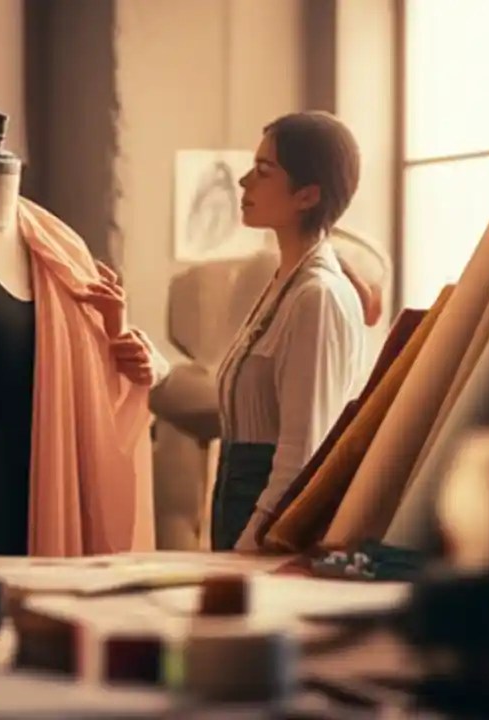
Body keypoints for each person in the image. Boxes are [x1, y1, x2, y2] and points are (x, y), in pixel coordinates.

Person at [197, 111, 367, 551]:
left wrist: (250, 546)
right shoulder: (281, 283)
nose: (243, 182)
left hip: (267, 530)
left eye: (263, 171)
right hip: (236, 510)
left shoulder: (318, 296)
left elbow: (302, 452)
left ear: (307, 195)